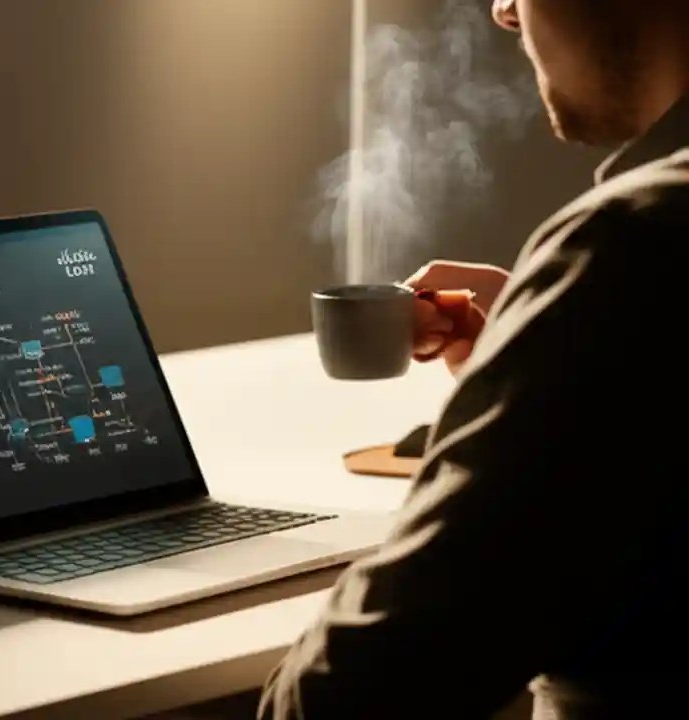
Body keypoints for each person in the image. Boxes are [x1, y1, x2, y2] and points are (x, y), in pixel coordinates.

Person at [255, 1, 689, 718]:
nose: (505, 11)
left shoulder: (634, 248)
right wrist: (543, 358)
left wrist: (486, 437)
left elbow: (340, 699)